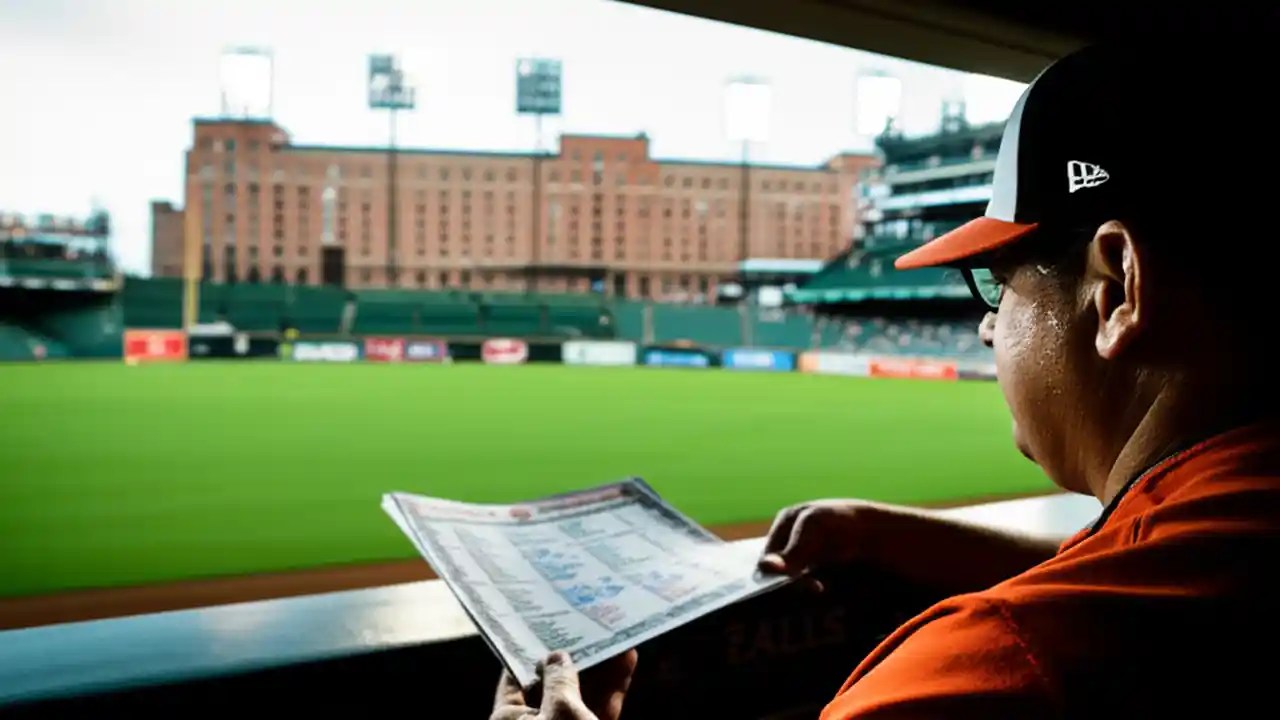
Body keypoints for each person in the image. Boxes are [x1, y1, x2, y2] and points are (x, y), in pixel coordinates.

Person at [490, 35, 1280, 719]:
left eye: (1000, 286)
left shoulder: (990, 670)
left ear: (1114, 290)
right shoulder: (1227, 509)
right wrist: (879, 533)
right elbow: (1117, 562)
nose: (985, 324)